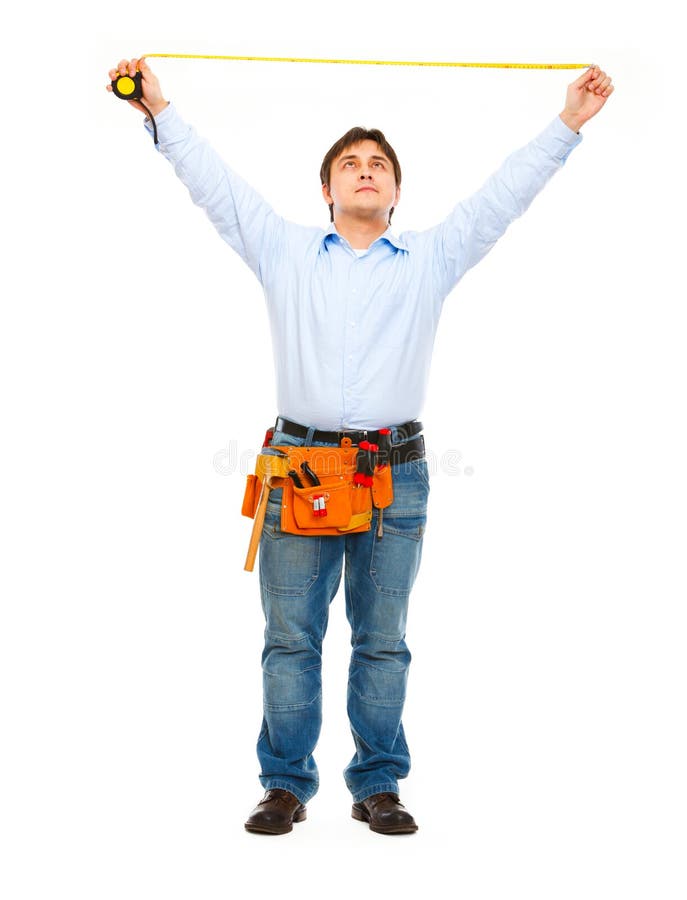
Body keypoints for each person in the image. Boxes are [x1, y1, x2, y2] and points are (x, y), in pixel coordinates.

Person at [107, 57, 614, 835]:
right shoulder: (280, 249)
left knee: (382, 643)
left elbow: (501, 198)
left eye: (378, 164)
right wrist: (158, 110)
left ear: (395, 191)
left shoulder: (431, 259)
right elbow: (214, 183)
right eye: (350, 163)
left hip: (393, 476)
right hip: (299, 469)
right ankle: (284, 784)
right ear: (328, 190)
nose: (364, 171)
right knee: (289, 639)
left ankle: (378, 785)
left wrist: (568, 122)